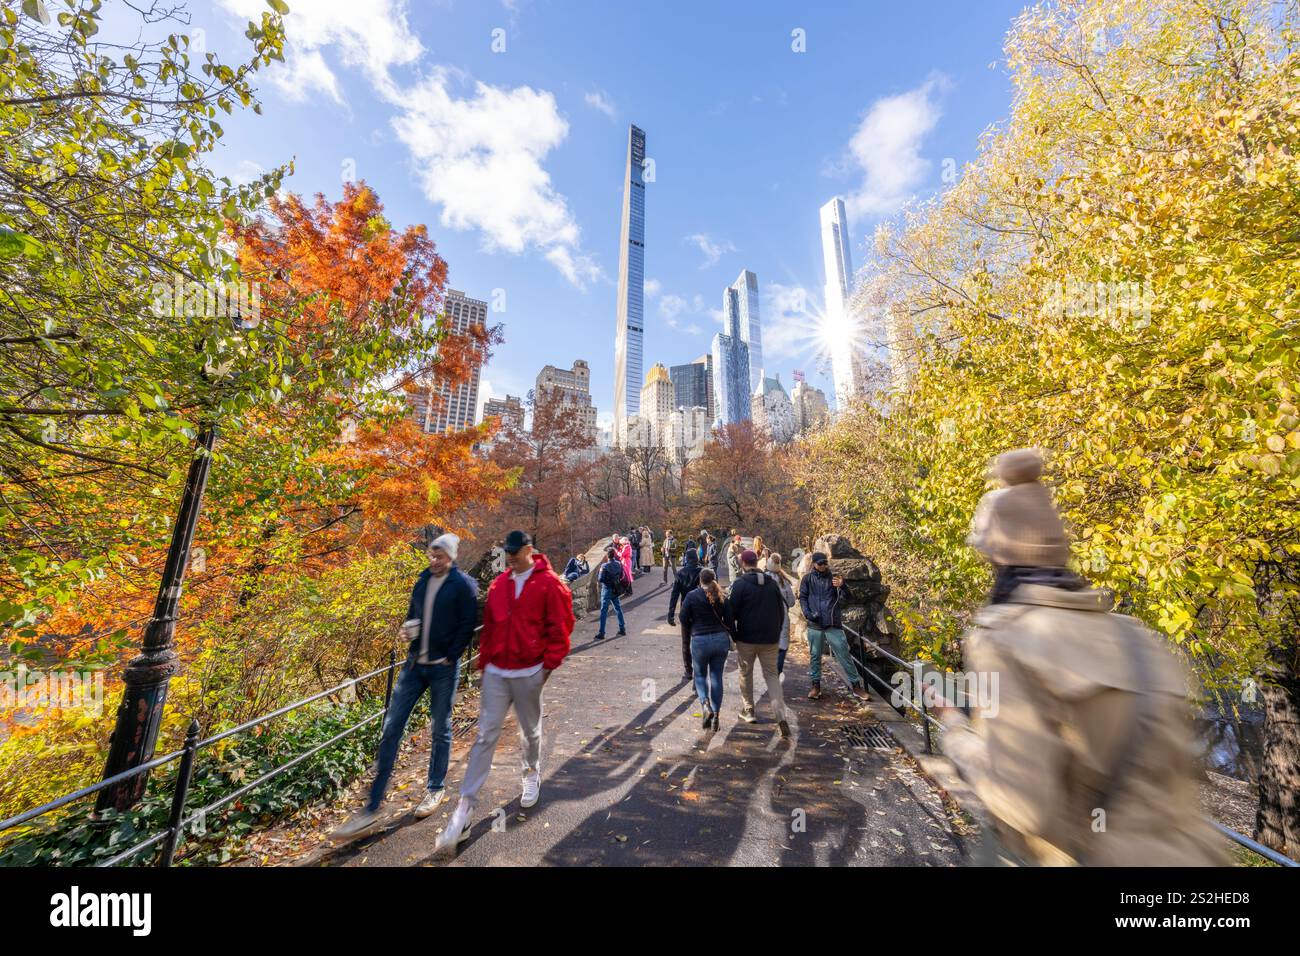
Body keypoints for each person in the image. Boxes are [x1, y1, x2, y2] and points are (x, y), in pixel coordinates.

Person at [935, 448, 1223, 866]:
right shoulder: (1136, 636)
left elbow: (1023, 806)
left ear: (996, 556)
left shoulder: (1003, 639)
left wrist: (956, 732)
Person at [434, 530, 574, 855]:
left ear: (528, 550)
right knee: (486, 736)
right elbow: (491, 628)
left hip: (529, 670)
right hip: (497, 670)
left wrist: (547, 666)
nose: (510, 557)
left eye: (515, 552)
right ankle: (465, 810)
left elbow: (562, 625)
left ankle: (531, 772)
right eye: (507, 552)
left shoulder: (549, 583)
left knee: (530, 731)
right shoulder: (499, 585)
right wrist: (485, 662)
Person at [335, 534, 478, 840]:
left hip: (442, 669)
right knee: (391, 729)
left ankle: (435, 789)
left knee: (441, 728)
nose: (434, 560)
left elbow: (469, 623)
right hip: (413, 666)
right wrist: (407, 630)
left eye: (440, 556)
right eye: (432, 555)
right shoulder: (422, 581)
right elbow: (413, 616)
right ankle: (372, 806)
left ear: (451, 557)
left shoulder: (463, 586)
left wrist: (450, 656)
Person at [727, 549, 790, 737]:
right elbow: (781, 611)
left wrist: (734, 634)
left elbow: (731, 613)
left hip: (747, 637)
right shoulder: (772, 584)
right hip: (770, 639)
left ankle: (749, 710)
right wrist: (777, 632)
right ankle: (781, 717)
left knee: (745, 674)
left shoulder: (740, 585)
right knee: (772, 676)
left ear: (743, 564)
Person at [798, 551, 867, 700]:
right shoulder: (807, 579)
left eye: (825, 563)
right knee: (815, 657)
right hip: (815, 624)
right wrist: (808, 614)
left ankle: (856, 687)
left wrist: (843, 586)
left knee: (844, 655)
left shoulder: (834, 578)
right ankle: (816, 687)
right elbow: (802, 598)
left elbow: (848, 598)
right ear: (814, 564)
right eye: (820, 563)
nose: (823, 565)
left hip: (832, 624)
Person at [680, 568, 733, 730]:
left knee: (701, 675)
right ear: (714, 580)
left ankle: (705, 704)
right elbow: (730, 620)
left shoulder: (691, 596)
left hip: (700, 640)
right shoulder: (722, 596)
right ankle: (716, 716)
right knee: (717, 676)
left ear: (700, 580)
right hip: (720, 640)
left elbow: (683, 618)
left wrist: (692, 627)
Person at [667, 543, 703, 674]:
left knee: (685, 641)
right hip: (700, 609)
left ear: (687, 558)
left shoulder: (681, 574)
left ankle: (688, 669)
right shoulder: (702, 572)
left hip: (685, 609)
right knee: (699, 639)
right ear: (697, 558)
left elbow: (674, 595)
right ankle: (699, 666)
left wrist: (670, 614)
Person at [765, 553, 796, 678]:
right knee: (782, 646)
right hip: (782, 617)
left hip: (767, 616)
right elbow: (791, 602)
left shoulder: (761, 579)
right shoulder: (784, 581)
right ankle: (777, 672)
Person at [595, 547, 628, 640]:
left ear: (607, 556)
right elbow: (622, 576)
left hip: (606, 589)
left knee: (604, 611)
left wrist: (607, 581)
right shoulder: (619, 564)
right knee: (618, 608)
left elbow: (600, 579)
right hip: (615, 589)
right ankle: (622, 629)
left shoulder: (604, 566)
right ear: (614, 555)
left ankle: (602, 633)